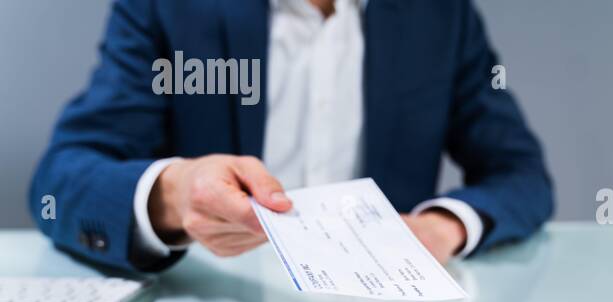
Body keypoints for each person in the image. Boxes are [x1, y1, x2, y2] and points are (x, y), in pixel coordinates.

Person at [28, 0, 553, 272]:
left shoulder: (439, 15)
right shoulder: (167, 7)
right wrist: (173, 194)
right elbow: (57, 183)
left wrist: (442, 227)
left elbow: (521, 174)